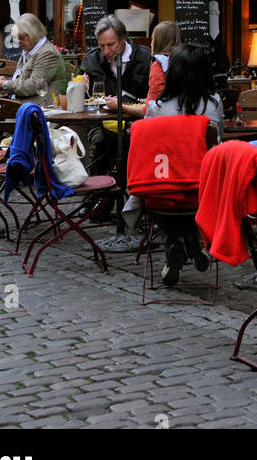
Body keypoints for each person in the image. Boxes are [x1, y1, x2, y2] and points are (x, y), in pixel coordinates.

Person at [145, 43, 223, 286]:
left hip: (160, 195)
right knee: (193, 181)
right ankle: (191, 242)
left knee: (171, 186)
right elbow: (218, 145)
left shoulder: (155, 109)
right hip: (201, 194)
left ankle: (174, 244)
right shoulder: (213, 104)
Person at [82, 15, 151, 175]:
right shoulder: (92, 59)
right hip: (100, 119)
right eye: (101, 45)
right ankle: (96, 193)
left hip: (135, 120)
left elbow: (152, 97)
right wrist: (82, 89)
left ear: (123, 39)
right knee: (98, 142)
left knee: (130, 141)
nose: (106, 51)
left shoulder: (145, 57)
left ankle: (125, 189)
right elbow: (85, 98)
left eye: (111, 45)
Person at [0, 14, 68, 103]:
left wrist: (4, 84)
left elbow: (33, 86)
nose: (18, 41)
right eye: (16, 37)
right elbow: (24, 80)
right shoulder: (30, 50)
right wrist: (6, 81)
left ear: (33, 33)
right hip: (25, 106)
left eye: (21, 37)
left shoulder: (47, 53)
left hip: (40, 109)